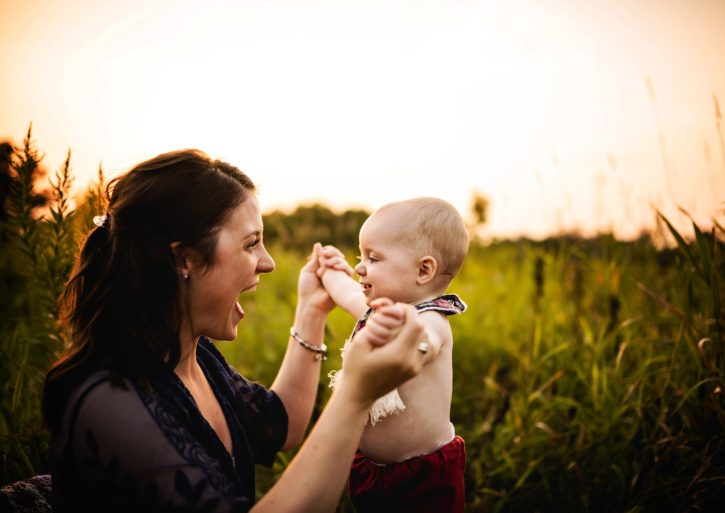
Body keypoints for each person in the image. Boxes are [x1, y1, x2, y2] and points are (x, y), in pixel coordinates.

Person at [41, 149, 429, 513]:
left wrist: (311, 310)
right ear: (184, 259)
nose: (269, 263)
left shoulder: (196, 355)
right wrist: (355, 395)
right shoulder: (114, 403)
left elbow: (281, 425)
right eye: (251, 244)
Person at [316, 197, 469, 513]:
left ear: (423, 270)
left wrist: (411, 345)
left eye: (372, 258)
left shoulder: (430, 321)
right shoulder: (380, 310)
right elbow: (346, 294)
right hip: (371, 469)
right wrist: (329, 272)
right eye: (360, 256)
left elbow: (424, 344)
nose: (360, 266)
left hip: (423, 477)